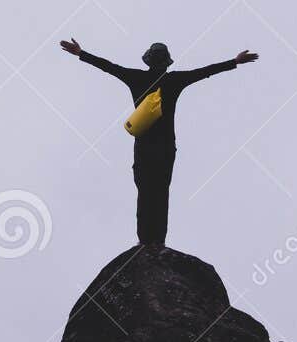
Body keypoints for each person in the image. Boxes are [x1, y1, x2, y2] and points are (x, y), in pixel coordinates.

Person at [60, 38, 259, 247]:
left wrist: (81, 53)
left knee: (145, 192)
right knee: (161, 192)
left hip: (144, 146)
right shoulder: (174, 80)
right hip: (165, 147)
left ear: (148, 61)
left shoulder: (135, 77)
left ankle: (144, 240)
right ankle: (159, 241)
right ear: (166, 63)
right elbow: (204, 72)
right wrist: (234, 62)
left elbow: (109, 68)